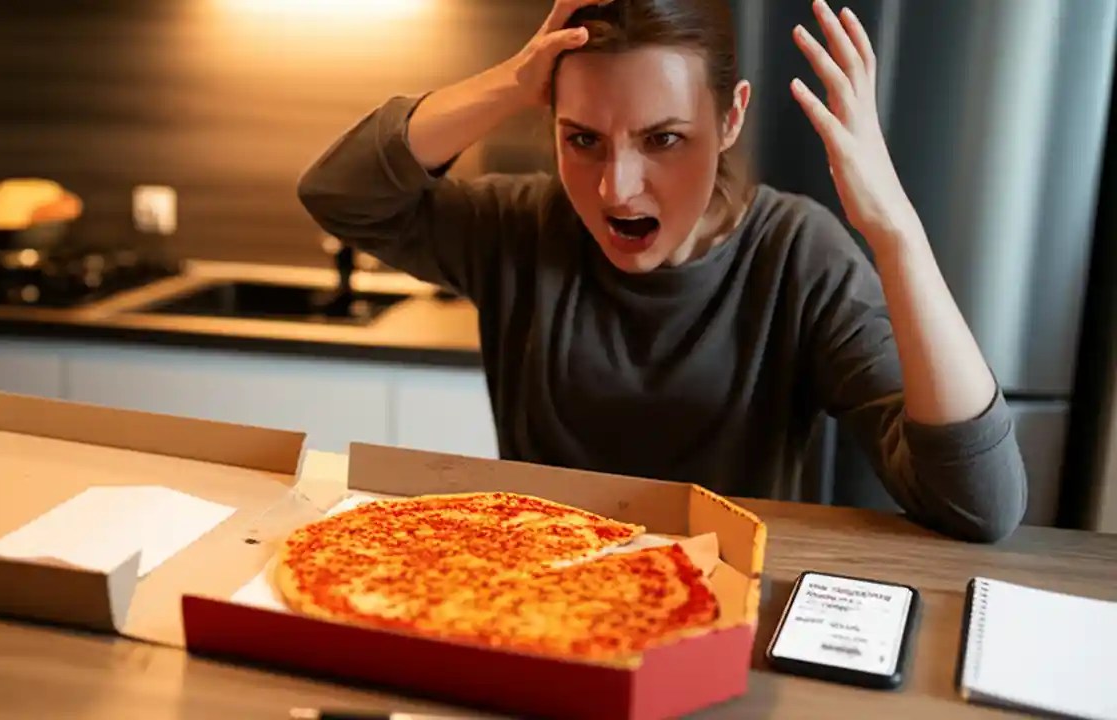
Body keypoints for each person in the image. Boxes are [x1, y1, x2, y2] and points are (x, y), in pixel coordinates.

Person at [297, 0, 1028, 542]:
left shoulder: (798, 255)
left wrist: (895, 231)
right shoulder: (520, 228)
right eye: (582, 138)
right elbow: (340, 193)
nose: (618, 187)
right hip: (535, 603)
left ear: (731, 119)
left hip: (721, 630)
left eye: (665, 139)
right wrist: (517, 80)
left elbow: (977, 505)